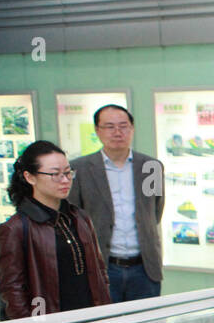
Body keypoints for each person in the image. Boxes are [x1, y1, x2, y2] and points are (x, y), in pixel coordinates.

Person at [0, 141, 111, 320]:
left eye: (67, 172)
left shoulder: (79, 217)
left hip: (90, 317)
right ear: (30, 177)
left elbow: (99, 270)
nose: (65, 180)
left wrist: (105, 311)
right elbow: (12, 290)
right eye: (55, 174)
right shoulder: (15, 228)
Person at [67, 104, 165, 302]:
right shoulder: (80, 169)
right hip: (103, 265)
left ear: (132, 129)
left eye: (123, 126)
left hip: (144, 267)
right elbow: (73, 215)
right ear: (97, 131)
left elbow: (155, 212)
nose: (118, 132)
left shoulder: (150, 167)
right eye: (110, 127)